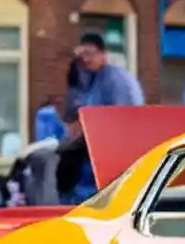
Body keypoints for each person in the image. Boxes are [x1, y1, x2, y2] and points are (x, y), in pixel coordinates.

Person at [60, 33, 145, 203]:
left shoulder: (114, 78)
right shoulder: (95, 78)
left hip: (114, 150)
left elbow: (119, 116)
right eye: (82, 55)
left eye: (90, 54)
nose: (86, 59)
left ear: (103, 54)